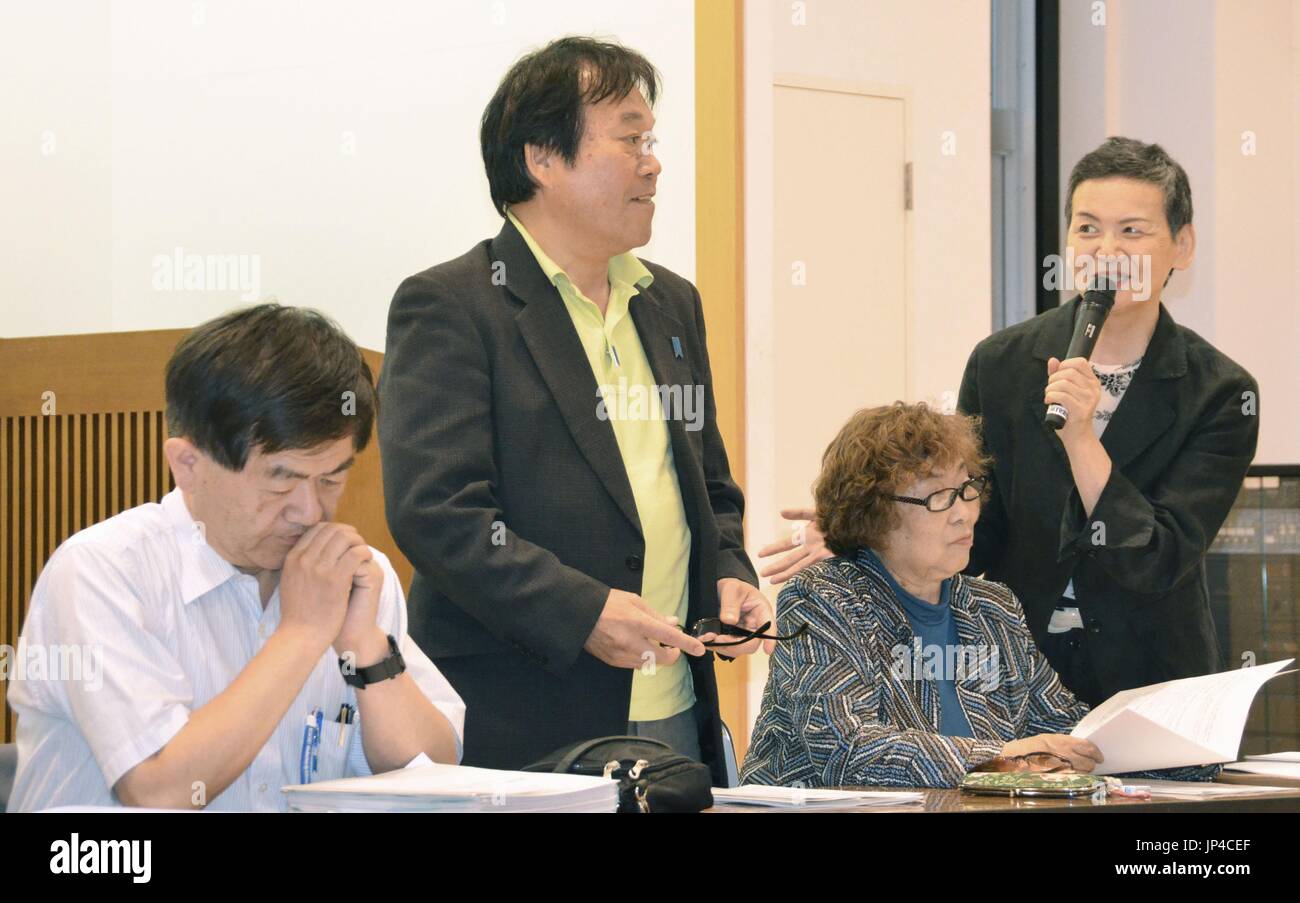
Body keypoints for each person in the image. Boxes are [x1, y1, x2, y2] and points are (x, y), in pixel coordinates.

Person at [378, 37, 768, 780]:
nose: (653, 161)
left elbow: (710, 491)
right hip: (527, 716)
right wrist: (583, 612)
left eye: (651, 140)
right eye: (629, 139)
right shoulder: (452, 305)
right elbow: (438, 513)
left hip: (678, 709)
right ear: (542, 159)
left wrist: (729, 572)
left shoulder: (670, 303)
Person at [757, 138, 1258, 706]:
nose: (1106, 251)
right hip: (1009, 674)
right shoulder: (1002, 362)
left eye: (1133, 231)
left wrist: (1082, 440)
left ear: (1182, 245)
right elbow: (974, 519)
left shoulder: (1220, 391)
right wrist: (868, 532)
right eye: (1087, 228)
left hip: (1151, 679)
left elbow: (1159, 557)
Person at [8, 304, 464, 811]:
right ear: (188, 464)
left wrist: (367, 648)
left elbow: (436, 775)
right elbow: (159, 790)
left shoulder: (355, 572)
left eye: (332, 478)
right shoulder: (104, 571)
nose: (309, 511)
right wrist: (304, 631)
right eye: (281, 479)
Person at [741, 403, 1104, 788]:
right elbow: (847, 749)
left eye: (967, 489)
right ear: (875, 513)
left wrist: (1145, 741)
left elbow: (1063, 728)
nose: (964, 513)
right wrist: (1005, 757)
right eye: (939, 497)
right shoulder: (824, 598)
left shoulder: (992, 607)